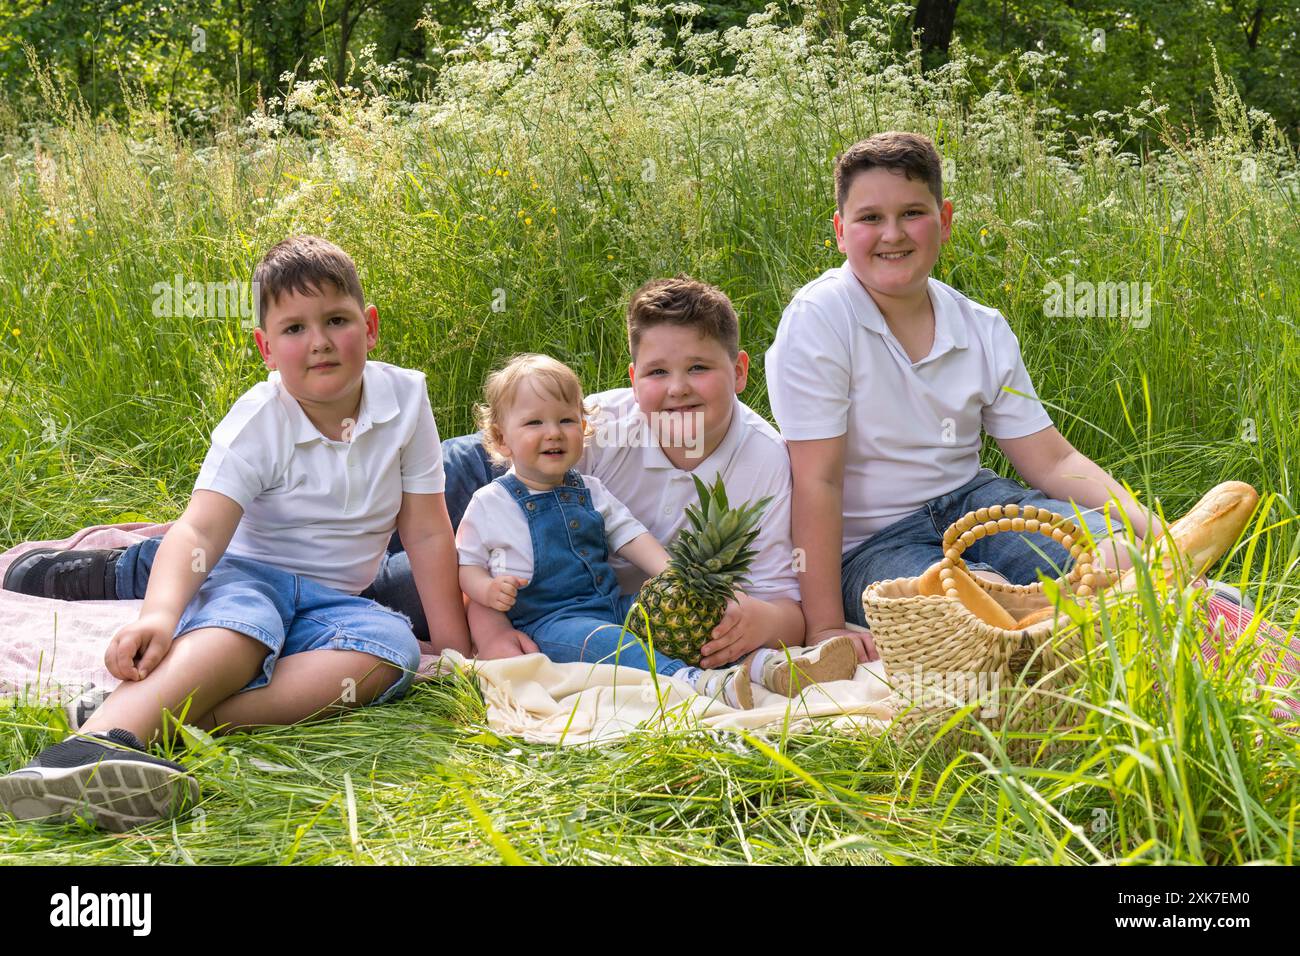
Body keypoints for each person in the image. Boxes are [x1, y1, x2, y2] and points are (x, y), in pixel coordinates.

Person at [7, 278, 806, 673]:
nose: (676, 391)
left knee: (362, 583)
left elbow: (786, 600)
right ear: (630, 379)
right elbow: (527, 438)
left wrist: (766, 626)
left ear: (738, 373)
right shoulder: (601, 424)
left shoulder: (764, 460)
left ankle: (239, 569)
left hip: (539, 547)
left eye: (700, 370)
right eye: (656, 372)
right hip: (486, 478)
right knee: (349, 519)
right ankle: (132, 564)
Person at [0, 236, 470, 831]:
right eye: (294, 328)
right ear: (266, 348)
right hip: (245, 574)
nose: (320, 341)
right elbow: (198, 530)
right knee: (243, 629)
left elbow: (426, 529)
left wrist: (456, 647)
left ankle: (173, 717)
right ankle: (93, 748)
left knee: (392, 652)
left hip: (339, 598)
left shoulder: (405, 398)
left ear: (370, 326)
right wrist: (160, 618)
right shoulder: (258, 420)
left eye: (336, 320)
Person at [765, 131, 1153, 656]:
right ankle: (1051, 624)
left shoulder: (981, 327)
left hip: (976, 505)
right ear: (840, 231)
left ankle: (1096, 615)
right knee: (969, 614)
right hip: (873, 542)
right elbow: (817, 479)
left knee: (1122, 554)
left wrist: (1151, 526)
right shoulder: (820, 319)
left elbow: (1053, 460)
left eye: (912, 213)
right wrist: (825, 627)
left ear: (944, 221)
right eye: (870, 218)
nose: (892, 234)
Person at [455, 353, 858, 710]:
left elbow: (631, 536)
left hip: (609, 603)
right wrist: (489, 594)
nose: (554, 432)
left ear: (584, 426)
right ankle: (693, 682)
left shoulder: (590, 489)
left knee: (668, 619)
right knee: (605, 641)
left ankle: (762, 666)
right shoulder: (492, 502)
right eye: (534, 423)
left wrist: (676, 578)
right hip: (548, 621)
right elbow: (467, 565)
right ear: (499, 439)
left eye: (566, 420)